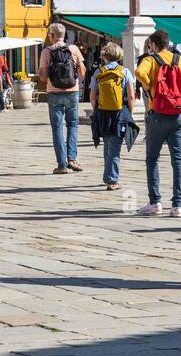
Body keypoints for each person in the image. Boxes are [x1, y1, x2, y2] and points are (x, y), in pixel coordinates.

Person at [135, 29, 181, 217]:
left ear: (153, 44)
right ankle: (177, 205)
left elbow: (139, 72)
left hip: (157, 113)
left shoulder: (150, 59)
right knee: (177, 159)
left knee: (152, 158)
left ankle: (155, 203)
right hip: (178, 113)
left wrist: (150, 86)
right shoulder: (178, 59)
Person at [37, 23, 85, 175]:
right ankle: (72, 158)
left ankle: (61, 165)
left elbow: (43, 77)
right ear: (64, 35)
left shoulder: (46, 51)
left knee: (57, 128)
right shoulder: (74, 49)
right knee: (73, 125)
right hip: (72, 92)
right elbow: (82, 72)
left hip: (54, 93)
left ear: (51, 36)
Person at [90, 42, 135, 191]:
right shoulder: (125, 72)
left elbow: (92, 96)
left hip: (103, 113)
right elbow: (131, 96)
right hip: (119, 112)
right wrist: (129, 112)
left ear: (104, 56)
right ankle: (112, 179)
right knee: (115, 146)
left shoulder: (98, 72)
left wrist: (96, 109)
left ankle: (109, 174)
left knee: (108, 144)